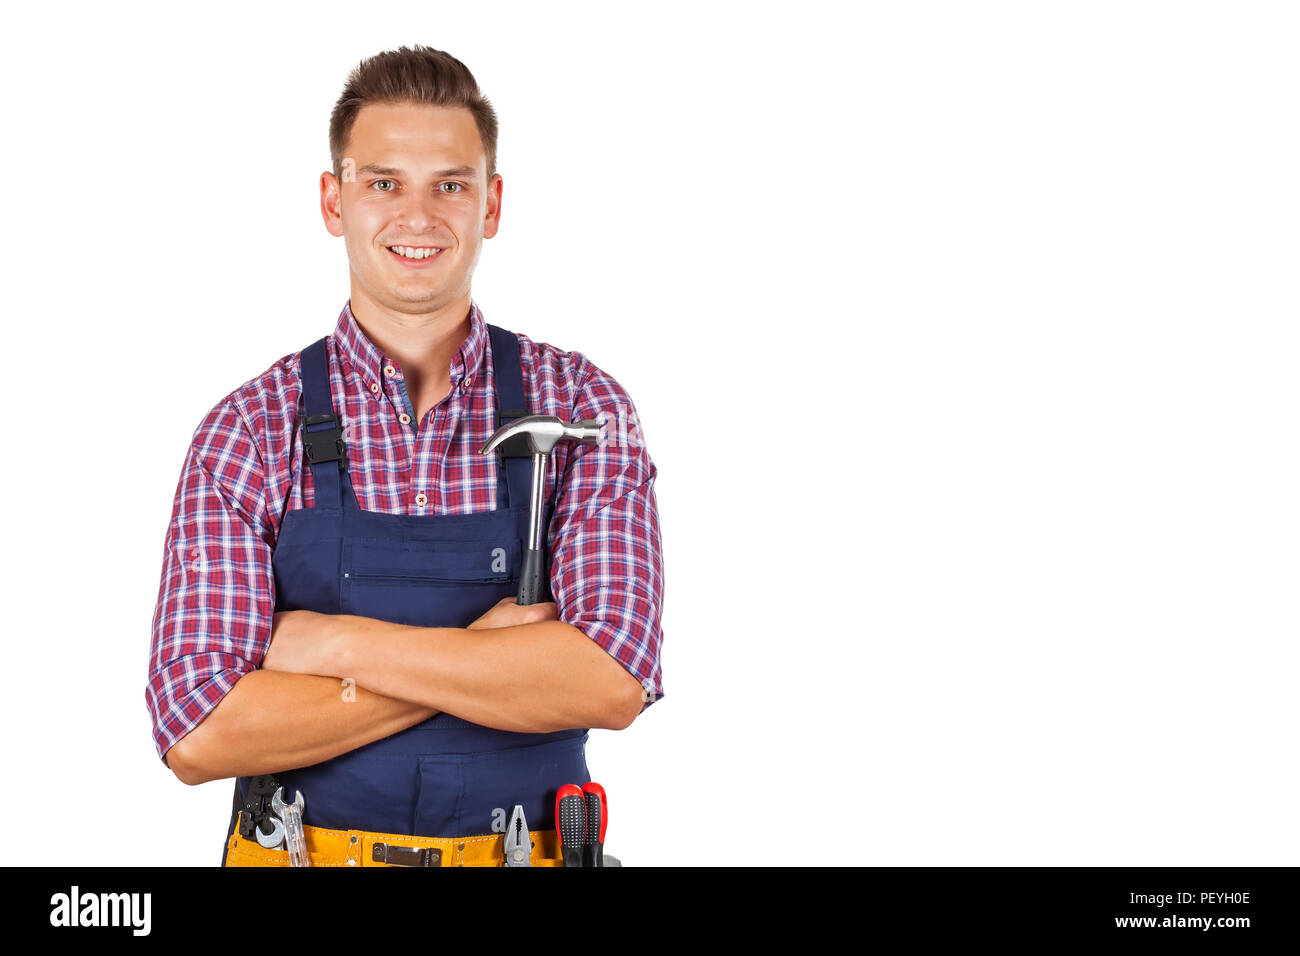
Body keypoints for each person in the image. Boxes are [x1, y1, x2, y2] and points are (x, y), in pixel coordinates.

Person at [144, 45, 665, 867]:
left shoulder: (583, 408)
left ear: (491, 204)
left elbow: (610, 679)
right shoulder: (248, 430)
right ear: (334, 199)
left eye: (450, 185)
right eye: (384, 182)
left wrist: (336, 646)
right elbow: (198, 731)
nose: (417, 218)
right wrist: (493, 656)